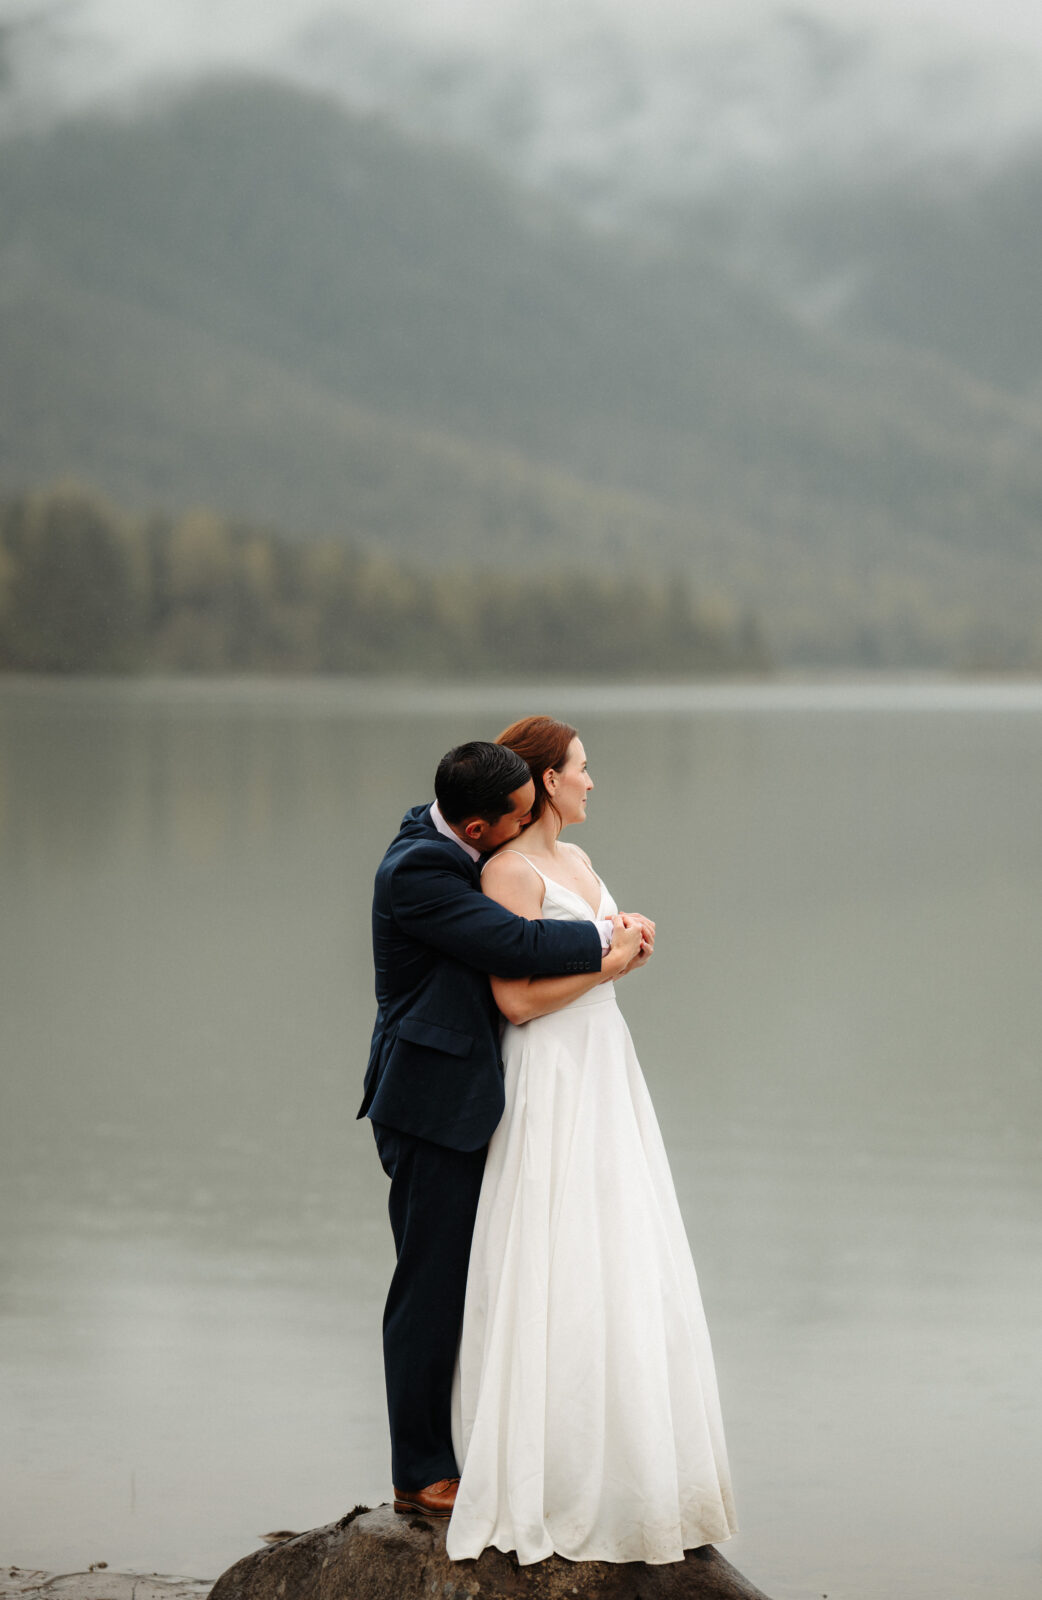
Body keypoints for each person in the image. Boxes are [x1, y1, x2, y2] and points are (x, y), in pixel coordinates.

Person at [447, 716, 737, 1565]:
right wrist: (611, 964)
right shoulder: (508, 872)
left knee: (621, 1254)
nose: (591, 781)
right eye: (580, 768)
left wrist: (628, 938)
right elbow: (517, 1002)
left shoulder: (576, 863)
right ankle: (555, 1478)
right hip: (554, 1074)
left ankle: (633, 1474)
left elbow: (590, 955)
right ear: (542, 782)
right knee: (558, 1257)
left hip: (607, 1069)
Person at [359, 740, 646, 1518]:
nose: (530, 826)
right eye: (517, 817)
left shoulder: (457, 836)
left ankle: (482, 1444)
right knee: (430, 1285)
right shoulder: (417, 870)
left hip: (479, 1092)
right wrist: (608, 942)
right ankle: (418, 1471)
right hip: (430, 1102)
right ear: (479, 827)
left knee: (485, 1275)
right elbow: (511, 945)